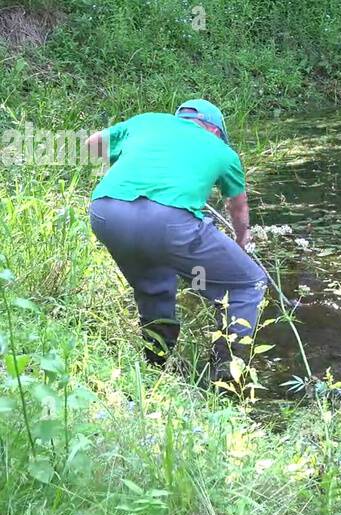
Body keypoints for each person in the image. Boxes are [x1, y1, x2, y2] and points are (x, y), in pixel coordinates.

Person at [85, 99, 266, 380]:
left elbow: (92, 144)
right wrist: (242, 241)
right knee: (246, 284)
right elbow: (238, 207)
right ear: (215, 130)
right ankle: (225, 378)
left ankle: (157, 369)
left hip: (106, 212)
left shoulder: (146, 121)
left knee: (155, 282)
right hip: (168, 223)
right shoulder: (222, 150)